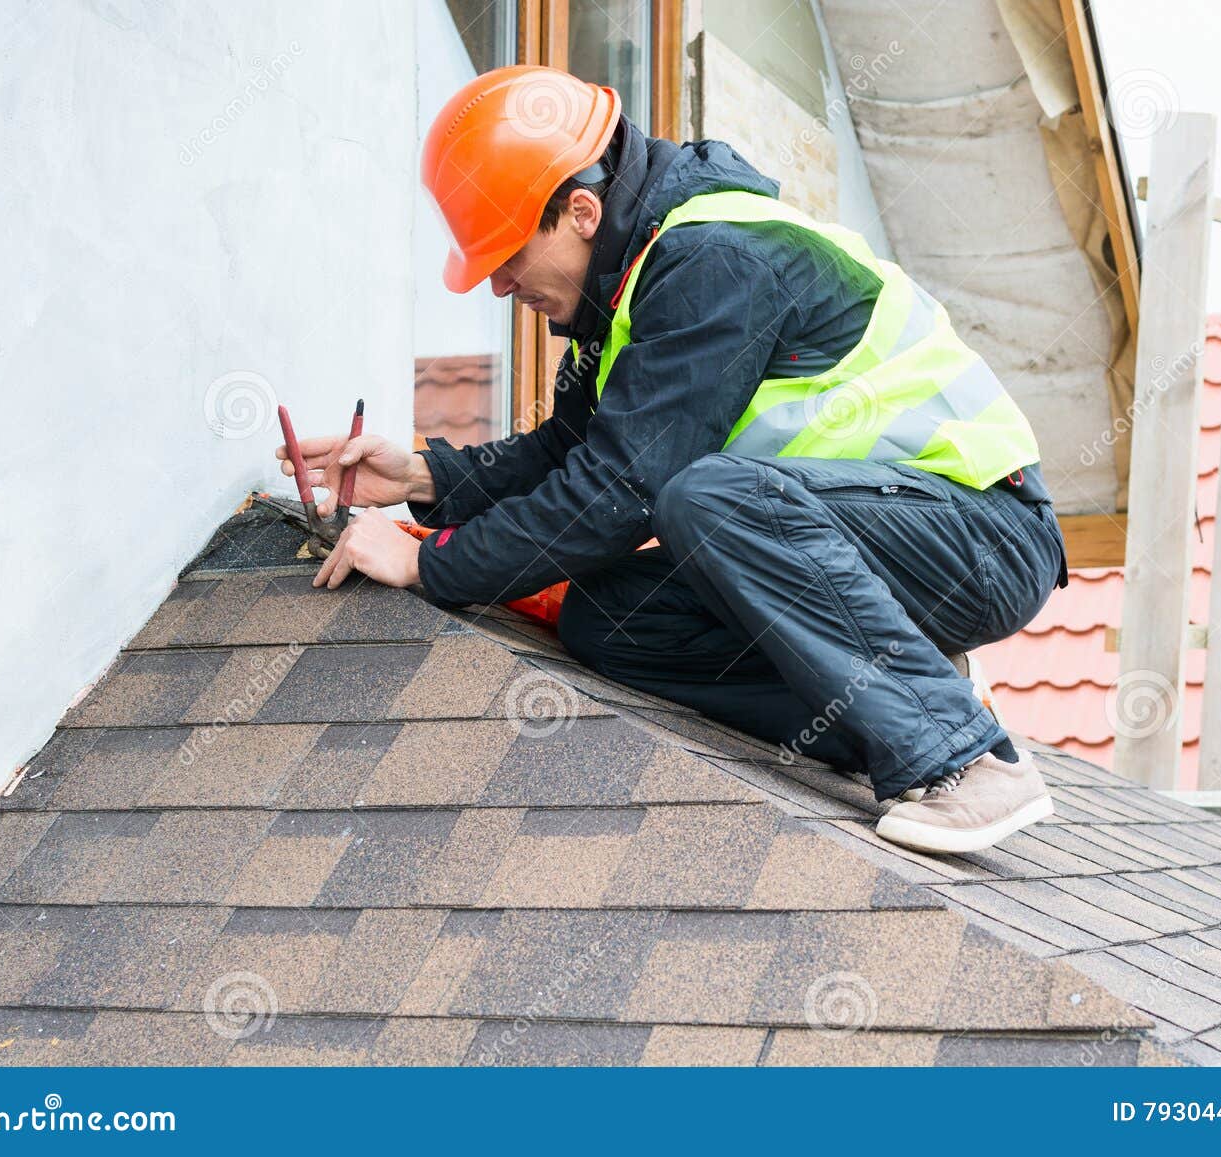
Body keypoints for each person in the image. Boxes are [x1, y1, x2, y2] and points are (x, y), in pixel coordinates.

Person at [277, 65, 1069, 855]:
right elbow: (572, 454)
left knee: (704, 499)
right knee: (605, 619)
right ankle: (900, 708)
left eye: (508, 253)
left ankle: (968, 760)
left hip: (983, 534)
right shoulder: (633, 291)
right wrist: (423, 477)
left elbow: (620, 491)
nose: (498, 284)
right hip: (872, 549)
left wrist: (430, 568)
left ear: (581, 211)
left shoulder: (716, 261)